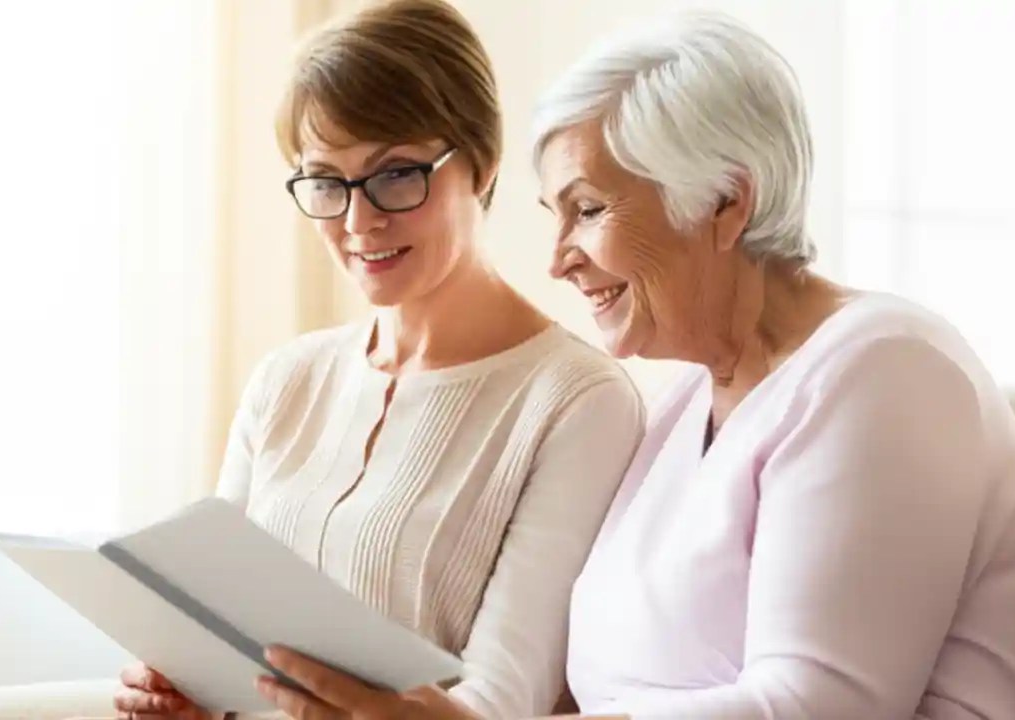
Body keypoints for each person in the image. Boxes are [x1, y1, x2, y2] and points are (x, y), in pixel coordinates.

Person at [256, 10, 1015, 720]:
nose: (560, 260)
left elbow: (817, 703)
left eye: (589, 209)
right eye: (554, 215)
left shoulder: (887, 368)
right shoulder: (685, 403)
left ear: (725, 202)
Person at [111, 2, 643, 719]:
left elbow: (504, 700)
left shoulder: (577, 400)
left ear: (480, 163)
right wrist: (184, 688)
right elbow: (211, 631)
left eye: (395, 174)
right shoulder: (287, 380)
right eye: (326, 181)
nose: (359, 221)